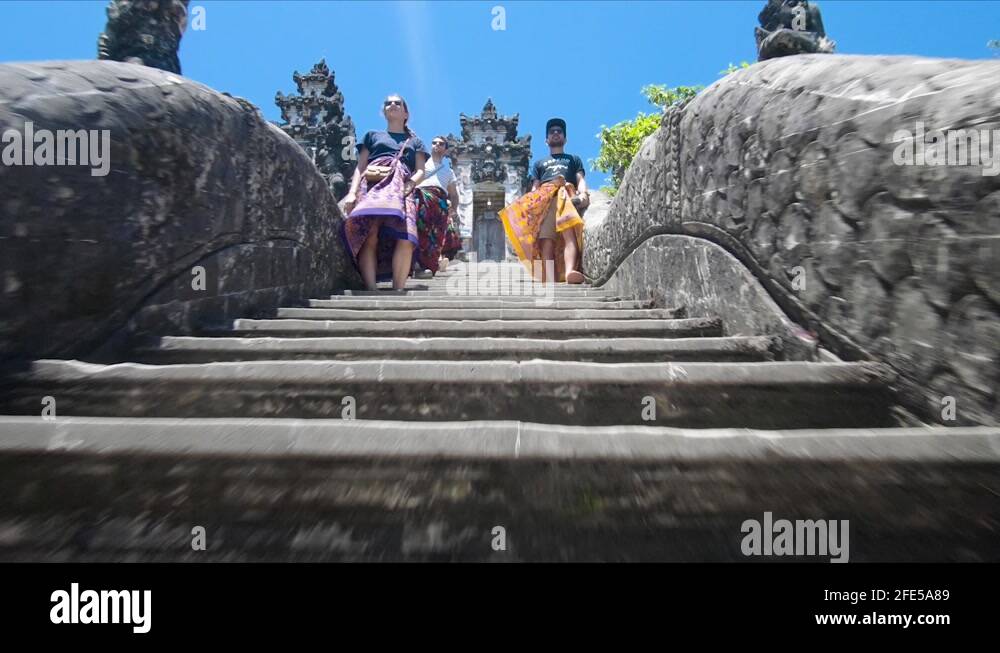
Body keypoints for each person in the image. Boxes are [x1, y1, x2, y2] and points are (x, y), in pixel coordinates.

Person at [342, 94, 428, 290]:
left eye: (398, 103)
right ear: (383, 111)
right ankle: (371, 289)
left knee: (406, 237)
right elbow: (360, 167)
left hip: (402, 189)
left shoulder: (415, 142)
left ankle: (398, 290)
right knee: (370, 235)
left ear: (406, 113)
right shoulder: (372, 136)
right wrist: (352, 193)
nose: (392, 105)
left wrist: (410, 185)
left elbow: (421, 170)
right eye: (388, 103)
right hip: (373, 186)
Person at [498, 118, 587, 284]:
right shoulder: (540, 164)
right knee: (546, 241)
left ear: (565, 138)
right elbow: (535, 188)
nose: (555, 133)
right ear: (546, 140)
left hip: (565, 195)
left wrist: (583, 193)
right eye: (551, 132)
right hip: (545, 199)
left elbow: (580, 179)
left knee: (569, 234)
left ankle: (569, 272)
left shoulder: (573, 159)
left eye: (559, 131)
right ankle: (548, 277)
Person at [413, 136, 459, 277]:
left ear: (445, 149)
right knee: (420, 232)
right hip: (422, 199)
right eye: (434, 142)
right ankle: (417, 265)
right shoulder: (421, 165)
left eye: (441, 144)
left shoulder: (449, 172)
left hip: (440, 204)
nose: (437, 145)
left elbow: (454, 194)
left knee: (436, 237)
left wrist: (454, 209)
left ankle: (428, 266)